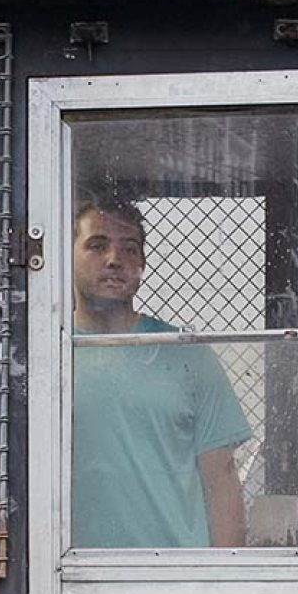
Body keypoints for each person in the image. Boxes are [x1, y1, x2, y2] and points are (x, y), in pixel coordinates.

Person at [71, 198, 249, 547]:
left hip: (175, 575)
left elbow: (221, 481)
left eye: (129, 249)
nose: (114, 259)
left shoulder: (186, 353)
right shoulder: (45, 355)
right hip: (68, 575)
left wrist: (225, 585)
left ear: (142, 263)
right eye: (97, 245)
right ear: (67, 254)